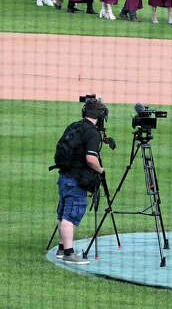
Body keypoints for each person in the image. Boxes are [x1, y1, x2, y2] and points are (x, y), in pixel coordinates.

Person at [53, 97, 107, 265]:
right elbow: (91, 159)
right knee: (70, 215)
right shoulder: (92, 133)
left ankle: (62, 249)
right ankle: (69, 253)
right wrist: (101, 170)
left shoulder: (74, 126)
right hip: (76, 180)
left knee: (64, 214)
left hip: (64, 177)